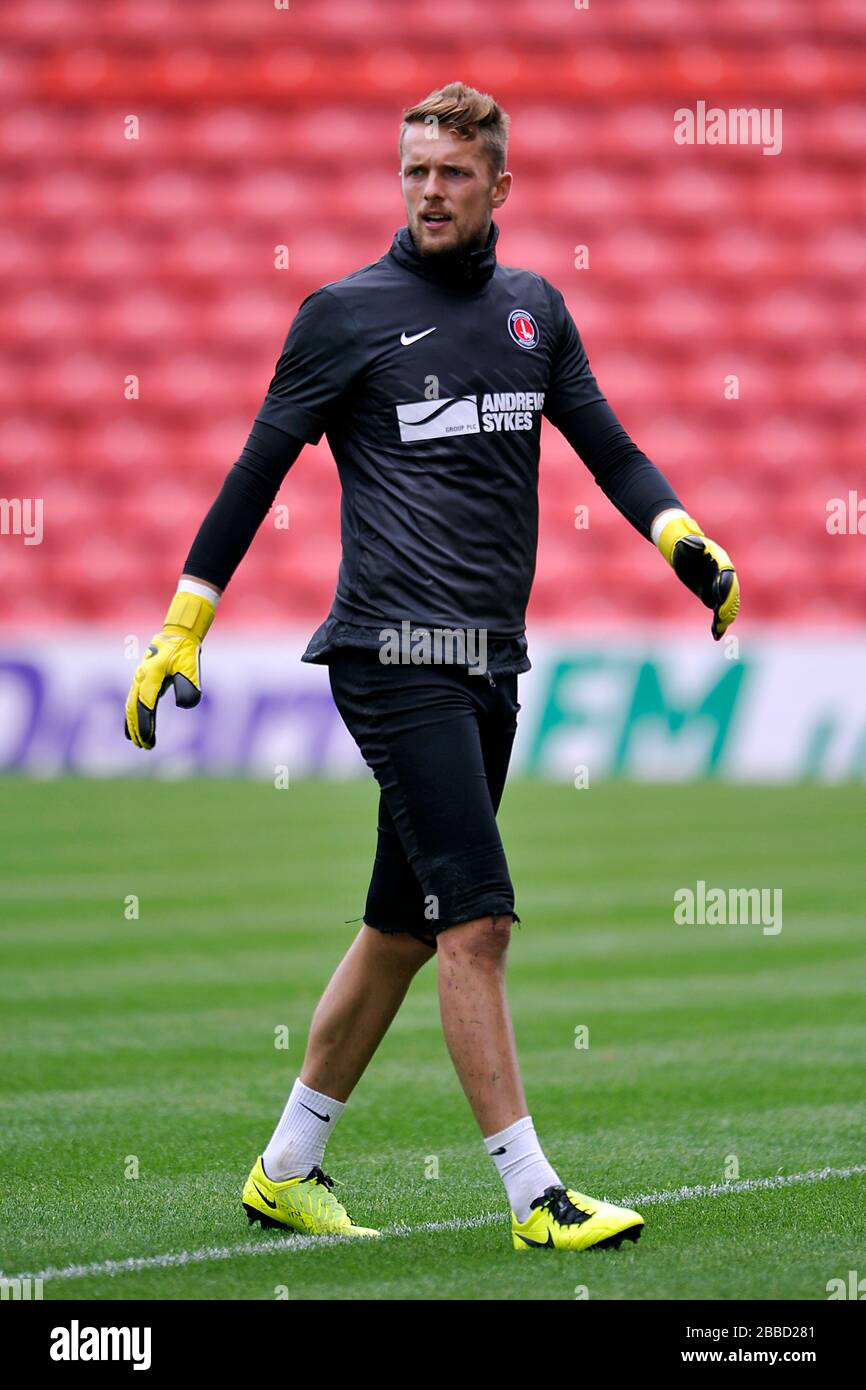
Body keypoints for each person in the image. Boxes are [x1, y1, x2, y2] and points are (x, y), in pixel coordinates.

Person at [124, 81, 739, 1251]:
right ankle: (533, 1196)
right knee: (478, 922)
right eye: (413, 170)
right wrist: (180, 625)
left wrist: (681, 538)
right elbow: (252, 474)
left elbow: (606, 445)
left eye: (453, 173)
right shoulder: (343, 314)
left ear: (498, 185)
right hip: (389, 651)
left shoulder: (532, 311)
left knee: (401, 928)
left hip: (488, 661)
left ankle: (285, 1167)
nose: (428, 191)